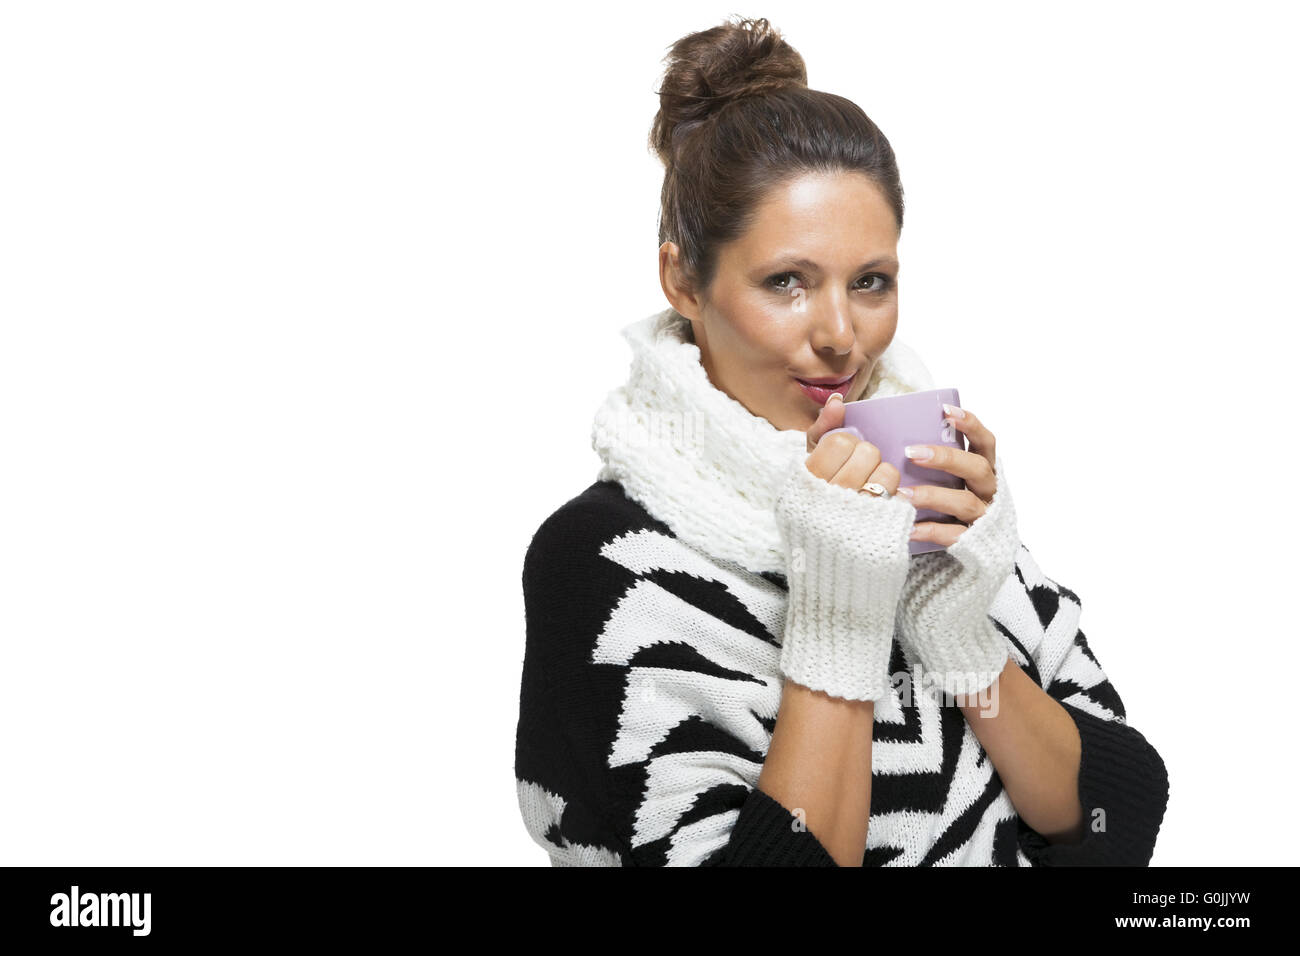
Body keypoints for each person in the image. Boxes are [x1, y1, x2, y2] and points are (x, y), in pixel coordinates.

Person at [513, 15, 1169, 867]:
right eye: (786, 281)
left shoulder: (940, 501)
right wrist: (838, 619)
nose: (839, 335)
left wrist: (963, 642)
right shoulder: (606, 562)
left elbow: (1118, 825)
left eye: (870, 282)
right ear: (683, 281)